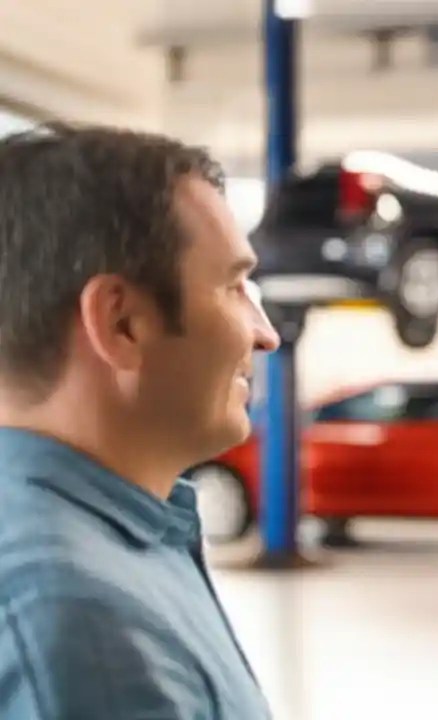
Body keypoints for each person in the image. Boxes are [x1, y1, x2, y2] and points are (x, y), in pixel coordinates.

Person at [0, 124, 279, 717]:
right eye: (232, 286)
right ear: (121, 322)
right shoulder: (78, 622)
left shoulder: (120, 540)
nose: (265, 334)